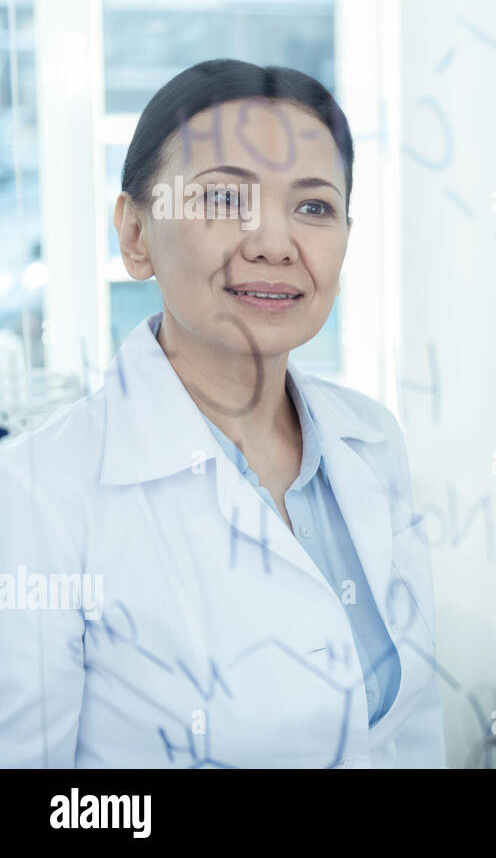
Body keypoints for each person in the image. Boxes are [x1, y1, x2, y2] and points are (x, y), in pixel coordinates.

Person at [0, 59, 445, 767]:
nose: (273, 242)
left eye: (313, 207)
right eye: (223, 200)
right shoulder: (35, 494)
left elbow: (408, 730)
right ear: (136, 233)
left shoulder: (371, 440)